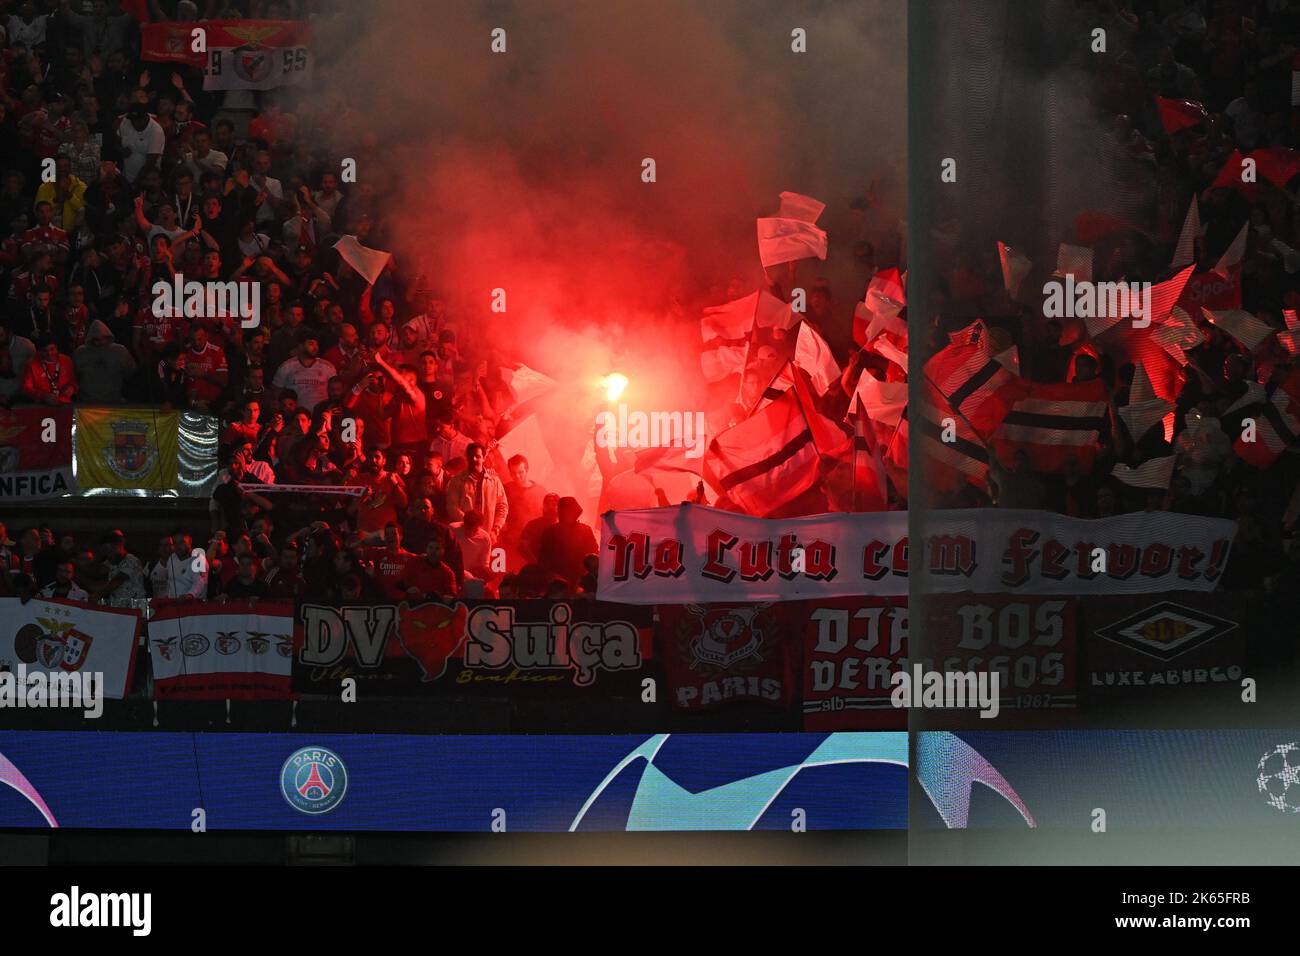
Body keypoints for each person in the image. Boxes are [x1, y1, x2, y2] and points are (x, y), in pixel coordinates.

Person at [445, 442, 508, 543]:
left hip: (489, 537)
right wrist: (470, 525)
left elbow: (502, 506)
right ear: (467, 458)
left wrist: (495, 529)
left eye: (477, 456)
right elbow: (452, 507)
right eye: (471, 456)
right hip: (465, 536)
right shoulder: (456, 481)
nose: (474, 459)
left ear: (483, 458)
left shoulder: (494, 481)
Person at [537, 497, 598, 587]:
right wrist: (549, 575)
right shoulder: (550, 531)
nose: (567, 514)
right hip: (557, 579)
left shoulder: (585, 530)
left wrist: (587, 573)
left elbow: (593, 552)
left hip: (580, 578)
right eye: (565, 511)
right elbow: (544, 557)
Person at [73, 319, 136, 403]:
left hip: (113, 401)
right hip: (87, 403)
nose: (99, 342)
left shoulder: (119, 351)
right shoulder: (81, 353)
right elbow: (73, 377)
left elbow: (131, 373)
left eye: (102, 339)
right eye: (96, 339)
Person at [92, 529, 147, 608]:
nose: (109, 553)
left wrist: (98, 594)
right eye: (106, 550)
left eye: (111, 548)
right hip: (119, 607)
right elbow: (97, 573)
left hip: (135, 607)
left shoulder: (131, 560)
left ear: (119, 545)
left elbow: (117, 581)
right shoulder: (110, 561)